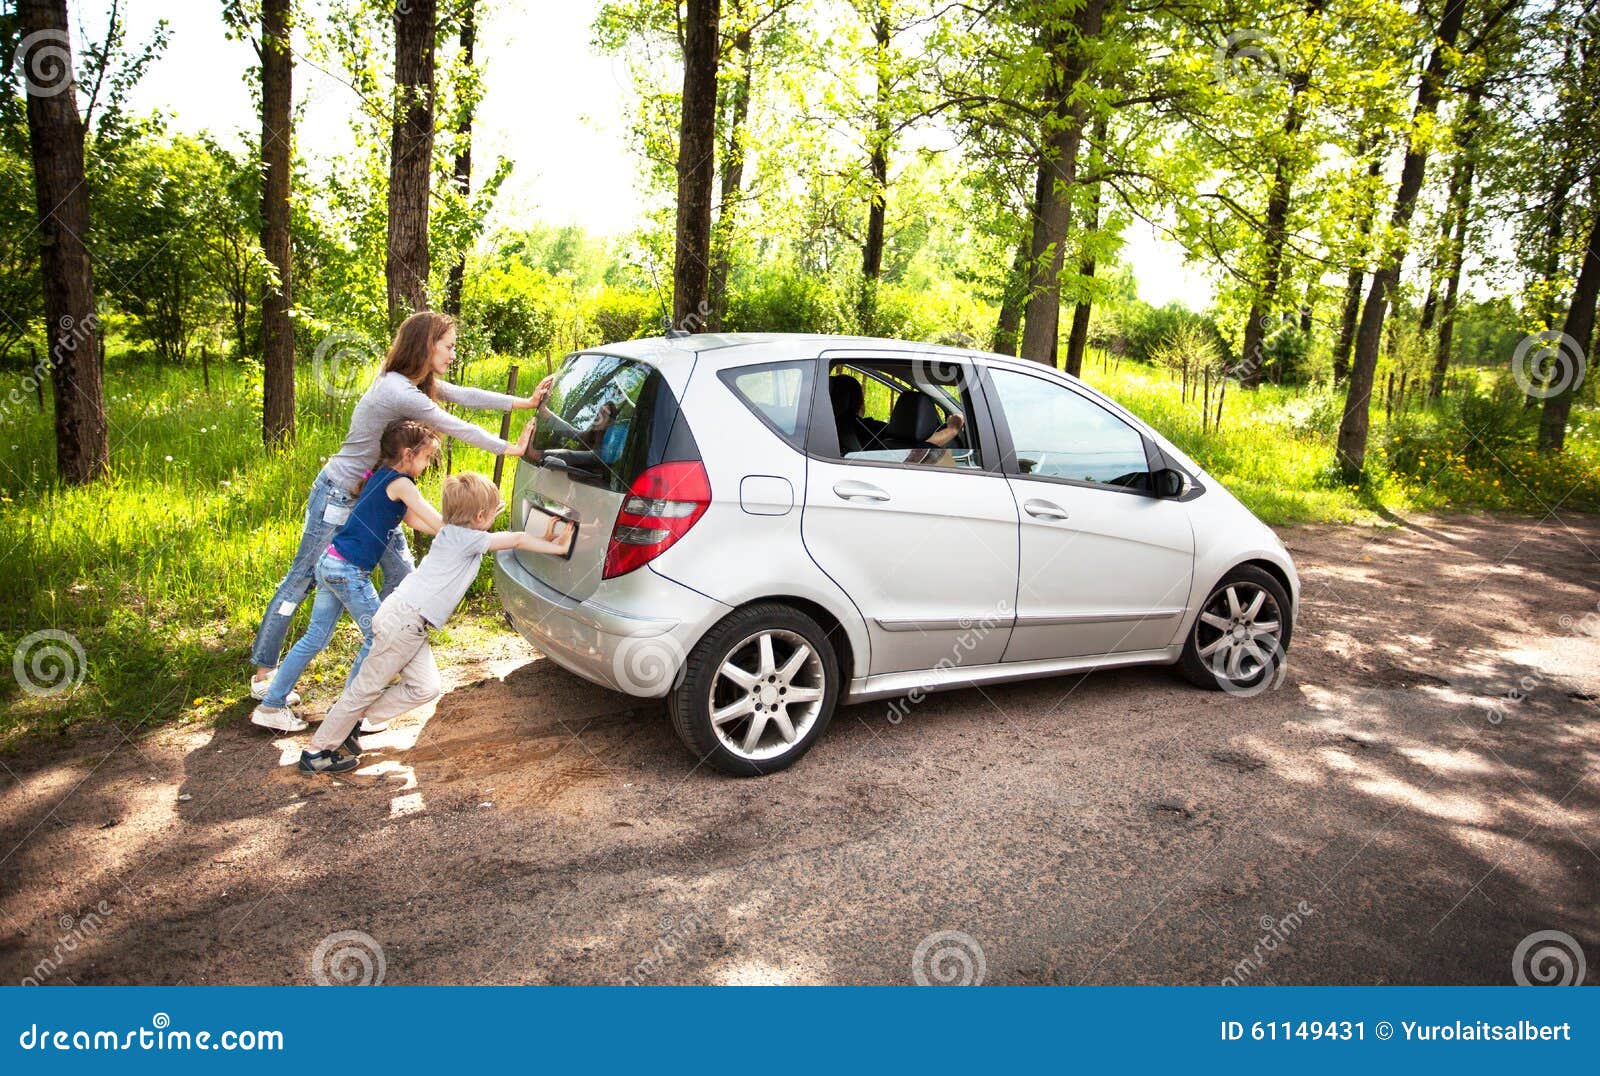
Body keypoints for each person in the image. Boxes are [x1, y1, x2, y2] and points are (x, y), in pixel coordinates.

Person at [248, 310, 553, 705]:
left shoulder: (413, 383)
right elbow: (453, 423)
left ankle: (382, 659)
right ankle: (264, 673)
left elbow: (464, 395)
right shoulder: (397, 390)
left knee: (403, 572)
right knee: (303, 577)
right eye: (448, 346)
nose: (452, 354)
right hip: (340, 493)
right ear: (426, 345)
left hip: (376, 497)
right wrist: (509, 448)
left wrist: (525, 403)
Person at [298, 471, 575, 774]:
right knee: (363, 690)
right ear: (481, 515)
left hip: (409, 623)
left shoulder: (451, 531)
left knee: (426, 688)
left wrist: (542, 538)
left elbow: (502, 534)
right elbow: (518, 539)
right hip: (403, 622)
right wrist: (558, 546)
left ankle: (353, 723)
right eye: (491, 511)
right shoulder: (469, 540)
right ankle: (317, 752)